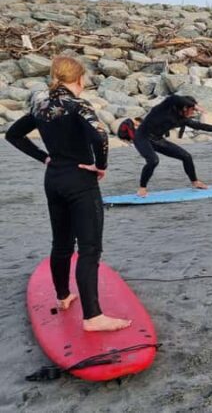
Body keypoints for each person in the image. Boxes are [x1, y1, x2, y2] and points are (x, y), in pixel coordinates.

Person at [5, 56, 131, 332]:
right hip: (80, 181)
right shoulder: (77, 105)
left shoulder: (41, 105)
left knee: (61, 244)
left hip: (54, 180)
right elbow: (100, 135)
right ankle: (93, 317)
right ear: (79, 79)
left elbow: (13, 135)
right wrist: (101, 166)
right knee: (89, 249)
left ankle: (63, 296)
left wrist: (44, 158)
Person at [134, 95, 212, 197]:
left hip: (158, 139)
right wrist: (195, 105)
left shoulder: (182, 119)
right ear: (185, 107)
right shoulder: (164, 109)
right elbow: (173, 98)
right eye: (192, 110)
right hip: (142, 137)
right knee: (153, 160)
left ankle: (195, 182)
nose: (193, 112)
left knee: (186, 157)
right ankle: (142, 188)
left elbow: (200, 126)